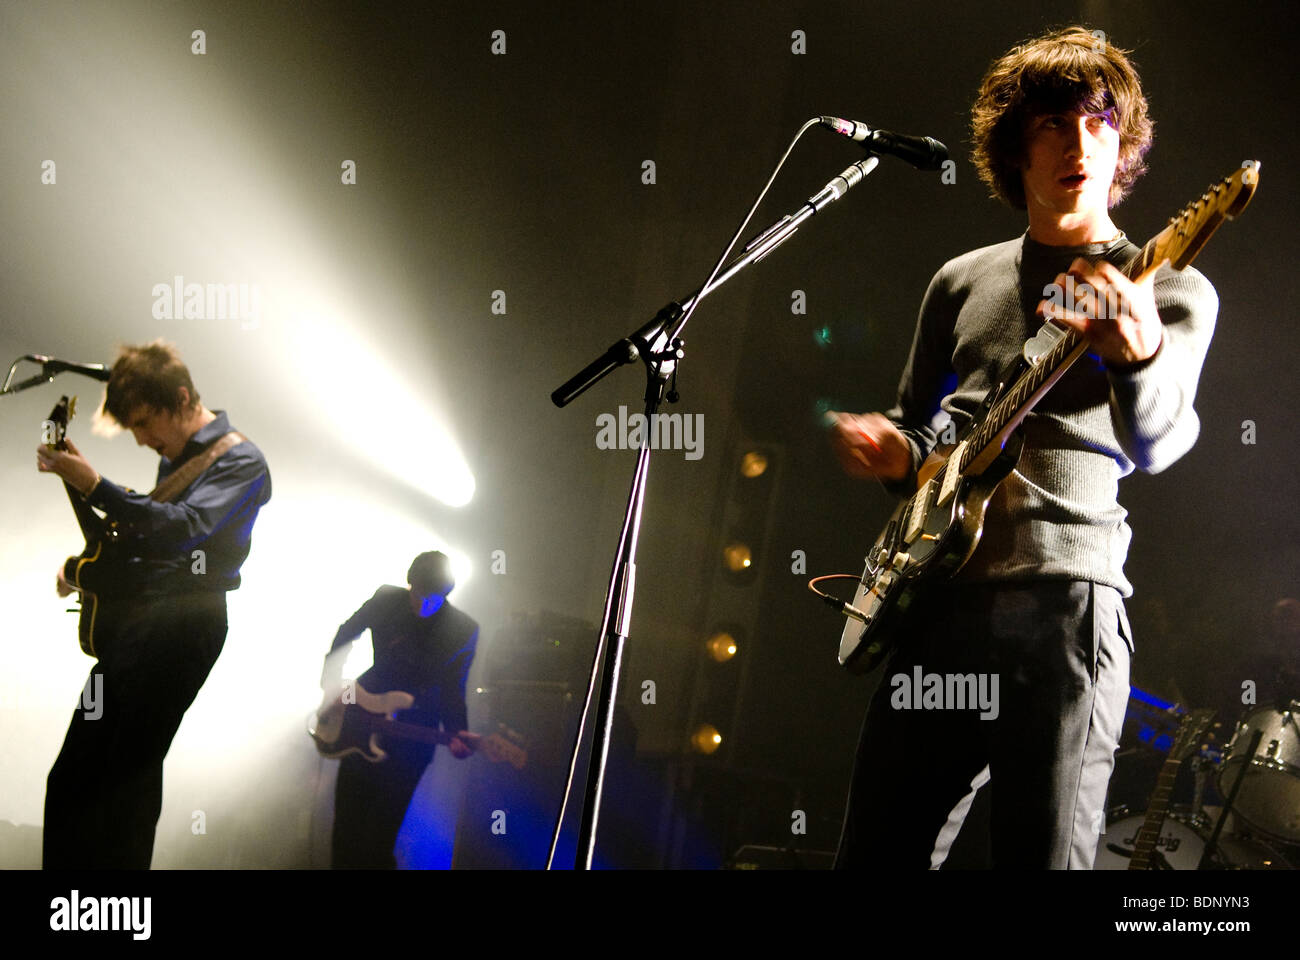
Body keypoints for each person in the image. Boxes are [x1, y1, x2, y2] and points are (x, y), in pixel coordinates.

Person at [826, 26, 1218, 868]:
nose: (1079, 143)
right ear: (1015, 147)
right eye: (1051, 123)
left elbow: (1161, 440)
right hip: (937, 607)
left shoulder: (1169, 284)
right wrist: (894, 454)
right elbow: (926, 439)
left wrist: (1138, 351)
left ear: (1123, 145)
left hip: (1066, 612)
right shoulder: (961, 280)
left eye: (1099, 122)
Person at [35, 339, 271, 868]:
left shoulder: (242, 462)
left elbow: (184, 530)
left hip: (185, 628)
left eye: (144, 423)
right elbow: (149, 537)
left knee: (127, 785)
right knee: (72, 779)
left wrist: (95, 484)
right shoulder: (178, 459)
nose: (141, 440)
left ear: (182, 398)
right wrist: (83, 568)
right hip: (141, 627)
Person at [321, 550, 478, 869]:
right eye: (416, 594)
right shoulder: (386, 598)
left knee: (380, 836)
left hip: (412, 735)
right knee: (346, 828)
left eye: (431, 599)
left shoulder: (462, 629)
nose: (421, 604)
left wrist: (456, 733)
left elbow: (453, 689)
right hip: (362, 714)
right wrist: (332, 684)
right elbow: (346, 632)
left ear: (445, 595)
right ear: (409, 584)